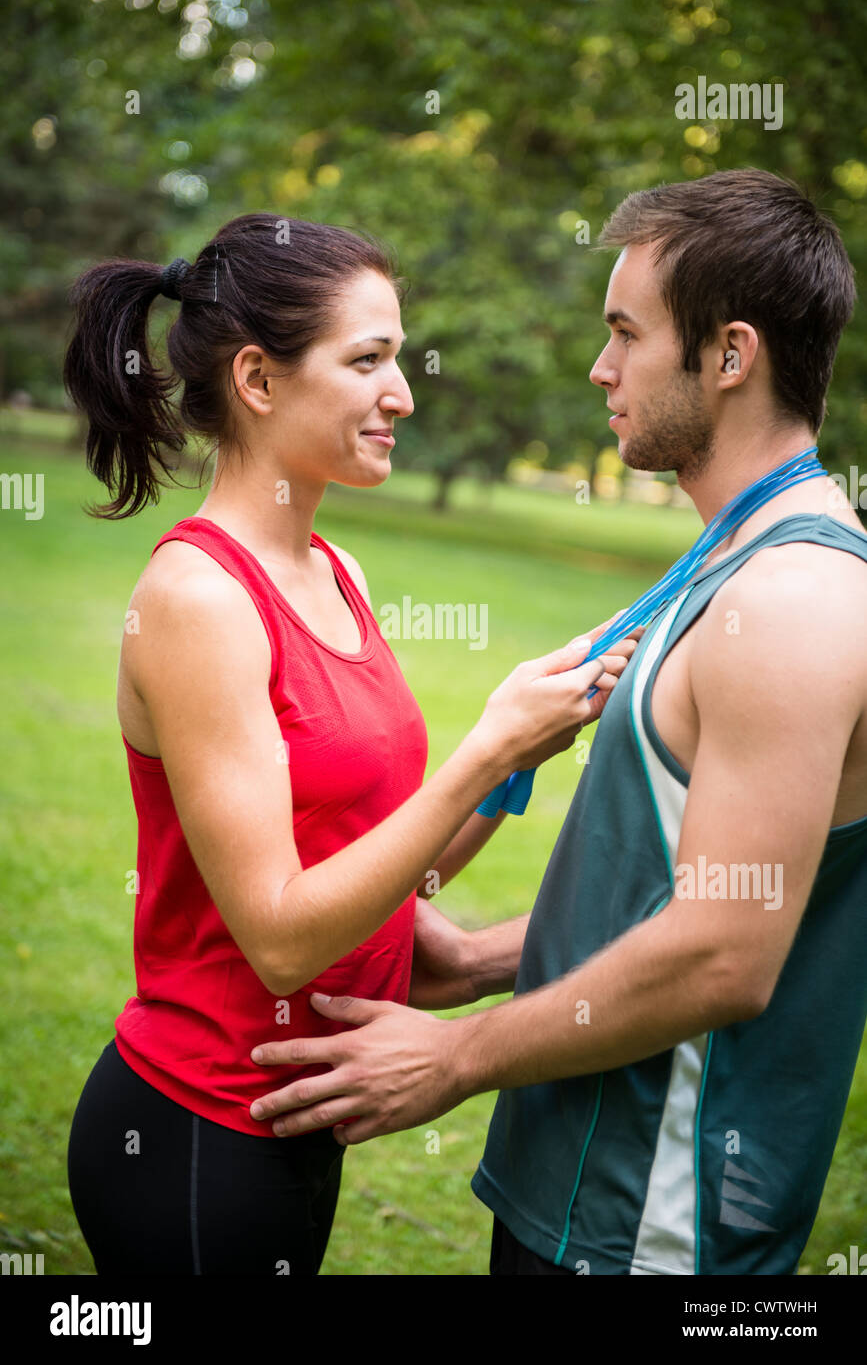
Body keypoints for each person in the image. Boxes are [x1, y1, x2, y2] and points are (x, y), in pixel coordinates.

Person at [247, 170, 867, 1277]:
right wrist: (484, 957)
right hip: (578, 1196)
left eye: (626, 333)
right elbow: (680, 884)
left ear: (730, 356)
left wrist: (456, 1059)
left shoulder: (794, 601)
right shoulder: (723, 558)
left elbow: (725, 954)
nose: (601, 368)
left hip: (657, 1228)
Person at [62, 212, 639, 1276]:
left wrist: (529, 747)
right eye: (367, 358)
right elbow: (282, 937)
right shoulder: (198, 599)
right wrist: (483, 749)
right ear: (259, 379)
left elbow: (381, 869)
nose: (403, 392)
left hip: (299, 1123)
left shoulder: (338, 574)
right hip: (198, 1131)